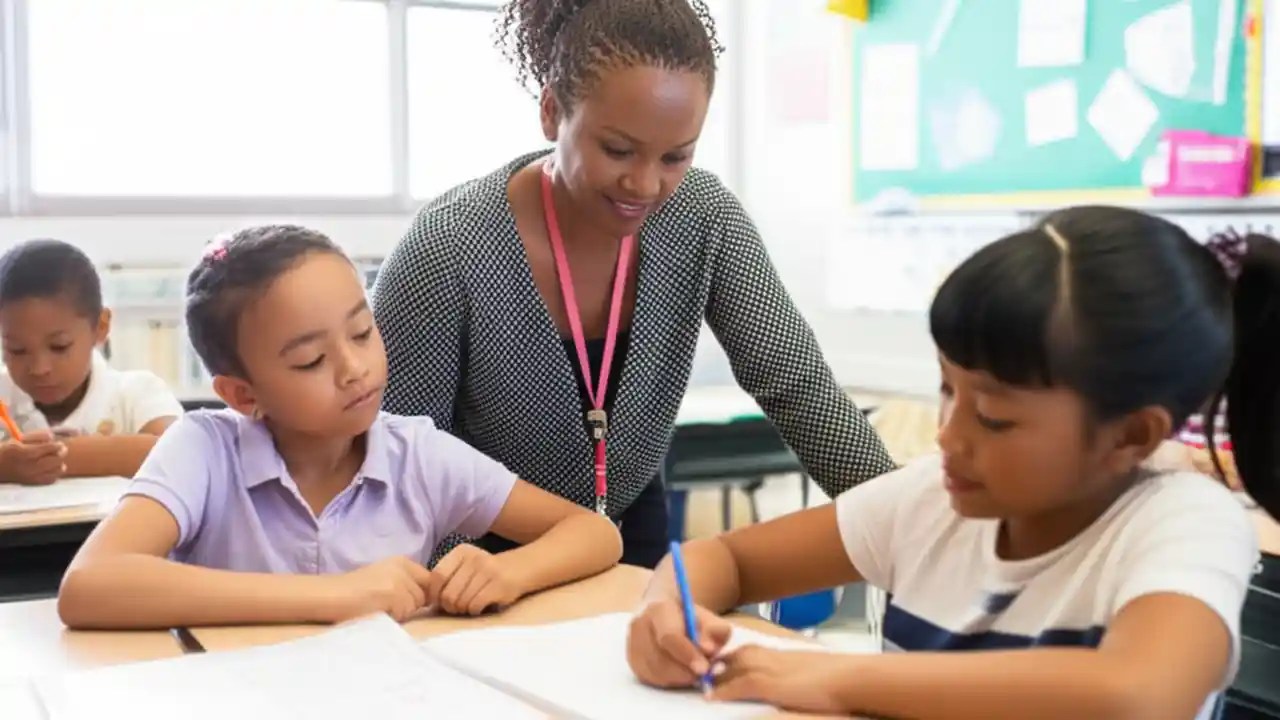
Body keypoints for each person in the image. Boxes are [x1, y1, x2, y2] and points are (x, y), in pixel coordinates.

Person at [626, 208, 1280, 719]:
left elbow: (1137, 695)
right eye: (946, 389)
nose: (948, 434)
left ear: (1132, 436)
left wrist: (839, 675)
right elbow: (726, 561)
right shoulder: (931, 496)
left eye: (994, 416)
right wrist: (666, 614)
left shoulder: (1187, 522)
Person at [372, 0, 894, 568]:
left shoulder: (703, 216)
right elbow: (402, 461)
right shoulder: (450, 248)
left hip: (626, 521)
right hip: (477, 551)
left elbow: (798, 387)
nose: (644, 185)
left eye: (676, 156)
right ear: (552, 112)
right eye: (617, 150)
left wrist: (908, 527)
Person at [58, 226, 621, 630]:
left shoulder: (416, 454)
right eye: (310, 362)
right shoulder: (203, 449)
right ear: (243, 394)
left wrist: (509, 571)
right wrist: (332, 596)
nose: (355, 369)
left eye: (361, 332)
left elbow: (596, 534)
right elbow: (89, 586)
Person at [0, 239, 182, 485]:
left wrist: (49, 458)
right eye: (17, 350)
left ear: (101, 327)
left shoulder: (136, 393)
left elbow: (176, 453)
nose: (39, 369)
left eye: (59, 347)